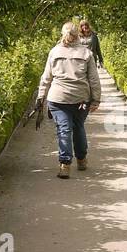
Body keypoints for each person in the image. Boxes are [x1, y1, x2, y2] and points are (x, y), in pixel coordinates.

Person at [37, 21, 102, 178]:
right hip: (81, 100)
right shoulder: (86, 53)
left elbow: (46, 76)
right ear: (77, 34)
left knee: (64, 130)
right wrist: (96, 100)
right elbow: (94, 79)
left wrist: (41, 96)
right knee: (78, 127)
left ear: (62, 34)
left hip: (58, 99)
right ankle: (81, 159)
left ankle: (65, 165)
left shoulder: (54, 51)